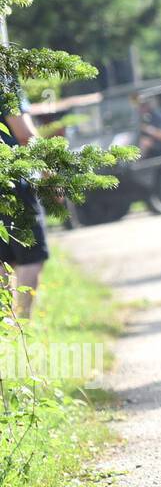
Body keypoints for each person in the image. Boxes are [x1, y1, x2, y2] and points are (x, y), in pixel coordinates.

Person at [1, 81, 49, 318]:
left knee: (2, 258)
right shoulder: (4, 84)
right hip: (11, 183)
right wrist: (51, 173)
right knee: (30, 255)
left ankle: (5, 330)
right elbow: (26, 134)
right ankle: (21, 322)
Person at [133, 93, 161, 158]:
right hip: (150, 156)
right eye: (139, 106)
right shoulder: (140, 118)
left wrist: (149, 129)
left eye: (143, 105)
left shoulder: (159, 114)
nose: (140, 108)